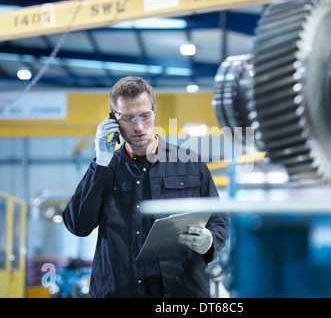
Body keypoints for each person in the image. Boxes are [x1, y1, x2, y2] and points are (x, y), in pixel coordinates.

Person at [62, 76, 229, 298]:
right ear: (113, 119)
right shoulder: (105, 169)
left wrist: (209, 240)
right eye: (128, 118)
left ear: (155, 111)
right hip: (119, 291)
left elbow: (219, 220)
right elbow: (78, 225)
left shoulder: (190, 164)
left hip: (180, 293)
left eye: (144, 115)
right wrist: (101, 161)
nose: (138, 126)